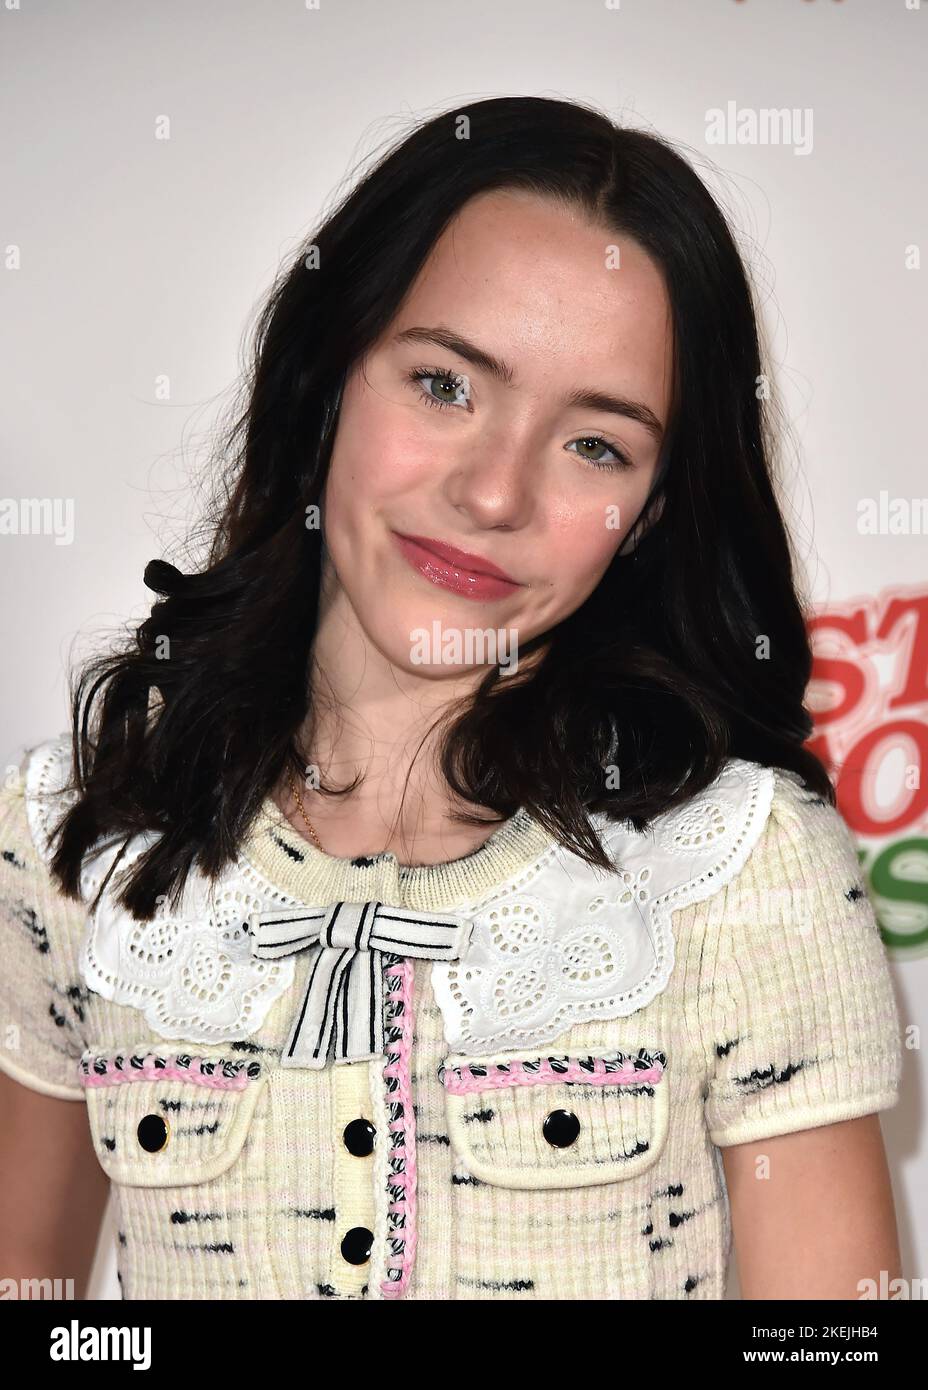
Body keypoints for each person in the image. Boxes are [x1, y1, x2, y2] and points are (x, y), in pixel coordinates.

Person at [0, 95, 903, 1301]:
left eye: (596, 444)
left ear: (651, 514)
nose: (492, 493)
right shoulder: (85, 835)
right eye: (443, 384)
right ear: (328, 374)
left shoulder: (741, 862)